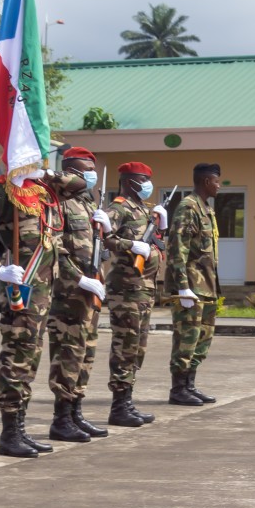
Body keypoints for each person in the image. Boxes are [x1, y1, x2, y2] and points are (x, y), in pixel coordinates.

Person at [0, 161, 86, 458]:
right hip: (21, 289)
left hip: (43, 291)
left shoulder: (42, 191)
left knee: (32, 357)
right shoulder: (3, 192)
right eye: (31, 156)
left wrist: (46, 174)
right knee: (17, 357)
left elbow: (79, 186)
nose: (38, 162)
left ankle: (20, 429)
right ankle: (9, 433)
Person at [96, 160, 168, 425]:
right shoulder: (118, 208)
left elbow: (156, 245)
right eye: (142, 180)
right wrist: (132, 245)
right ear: (129, 182)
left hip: (144, 289)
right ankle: (118, 407)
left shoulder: (143, 210)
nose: (147, 185)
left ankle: (127, 401)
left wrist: (161, 229)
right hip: (125, 289)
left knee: (138, 347)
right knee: (125, 346)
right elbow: (104, 239)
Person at [45, 146, 109, 441]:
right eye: (87, 171)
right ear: (71, 172)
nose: (92, 176)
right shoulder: (58, 201)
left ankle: (75, 411)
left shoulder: (86, 202)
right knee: (67, 354)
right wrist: (79, 278)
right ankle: (61, 418)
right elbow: (55, 247)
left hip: (90, 291)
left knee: (86, 353)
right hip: (69, 292)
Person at [165, 163, 222, 406]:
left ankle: (190, 384)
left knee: (202, 337)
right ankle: (178, 389)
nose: (219, 186)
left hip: (206, 285)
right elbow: (178, 247)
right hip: (191, 286)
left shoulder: (206, 208)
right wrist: (182, 286)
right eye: (217, 181)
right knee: (186, 337)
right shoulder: (188, 207)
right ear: (207, 181)